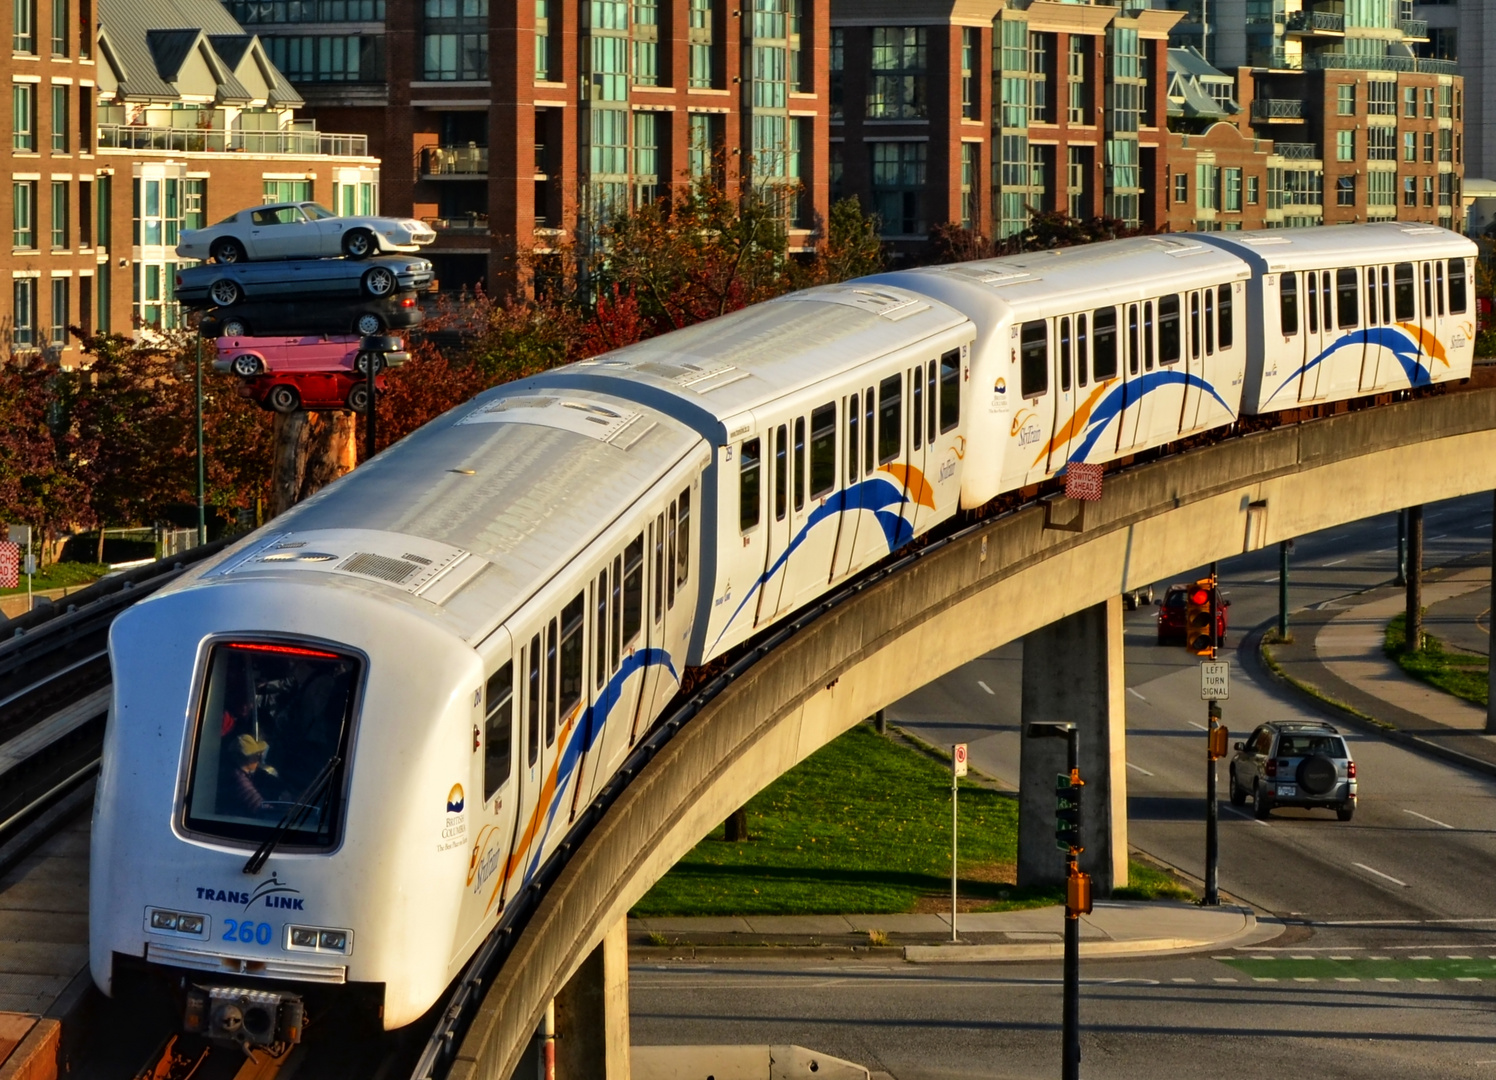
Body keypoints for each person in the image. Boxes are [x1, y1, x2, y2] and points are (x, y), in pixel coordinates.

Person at [228, 733, 279, 815]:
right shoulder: (238, 778)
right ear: (247, 759)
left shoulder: (249, 772)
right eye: (256, 755)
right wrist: (279, 812)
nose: (258, 758)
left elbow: (266, 777)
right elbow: (257, 804)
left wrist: (281, 790)